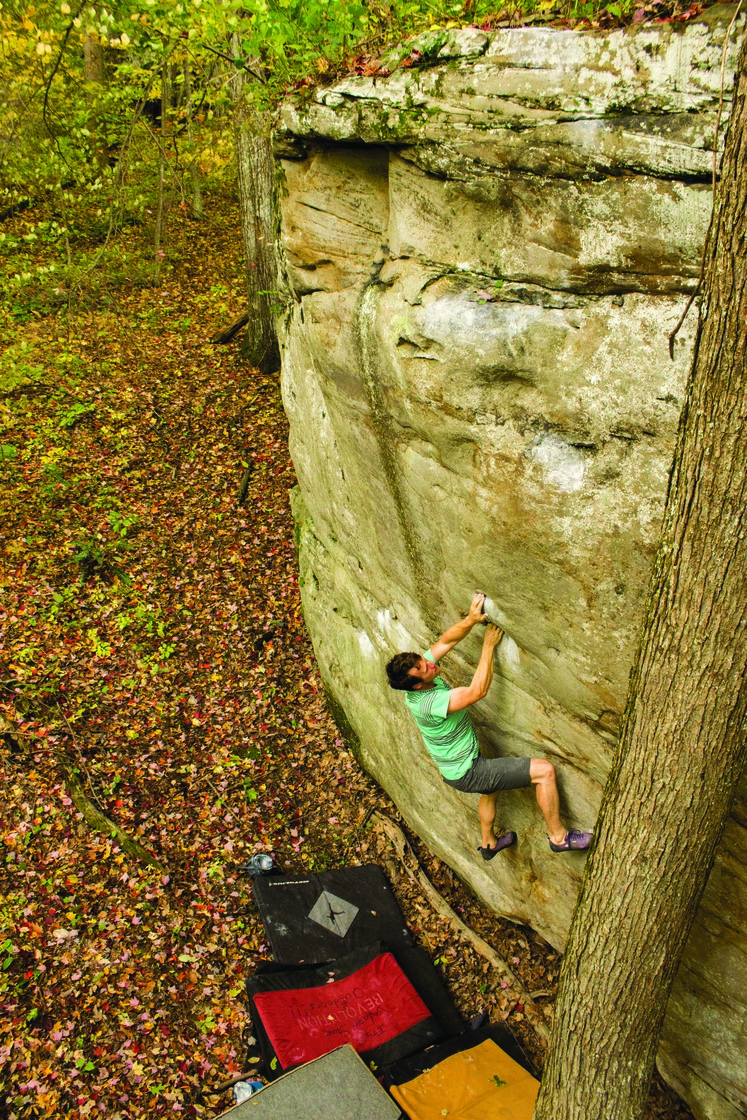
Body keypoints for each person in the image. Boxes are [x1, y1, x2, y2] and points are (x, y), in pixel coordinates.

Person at [385, 594, 592, 860]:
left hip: (454, 769)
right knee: (545, 771)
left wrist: (470, 620)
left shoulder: (418, 677)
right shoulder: (428, 702)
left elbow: (445, 641)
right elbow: (477, 691)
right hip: (469, 771)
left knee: (491, 789)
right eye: (423, 668)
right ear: (416, 685)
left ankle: (489, 843)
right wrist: (488, 646)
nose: (429, 663)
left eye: (422, 661)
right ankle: (559, 838)